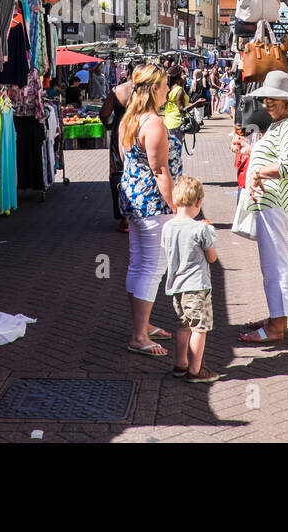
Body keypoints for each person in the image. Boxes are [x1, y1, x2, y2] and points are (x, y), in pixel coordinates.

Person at [119, 64, 185, 357]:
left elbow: (127, 162)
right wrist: (177, 208)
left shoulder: (129, 120)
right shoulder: (154, 123)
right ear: (153, 89)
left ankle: (143, 325)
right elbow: (160, 171)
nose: (168, 90)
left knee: (138, 263)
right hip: (153, 203)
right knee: (154, 267)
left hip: (133, 199)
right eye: (164, 86)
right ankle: (139, 335)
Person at [238, 70, 288, 345]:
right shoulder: (278, 125)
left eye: (274, 99)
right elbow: (274, 154)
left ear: (287, 102)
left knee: (274, 264)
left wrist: (258, 173)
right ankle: (276, 316)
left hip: (273, 201)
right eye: (266, 98)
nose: (267, 103)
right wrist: (248, 149)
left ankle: (277, 327)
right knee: (274, 263)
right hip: (268, 202)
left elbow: (287, 165)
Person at [161, 176, 221, 383]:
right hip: (197, 287)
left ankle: (180, 363)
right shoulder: (200, 229)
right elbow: (212, 257)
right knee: (199, 328)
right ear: (198, 203)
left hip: (176, 287)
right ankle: (196, 370)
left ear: (176, 202)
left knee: (182, 326)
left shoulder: (168, 227)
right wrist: (209, 233)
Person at [100, 61, 135, 233]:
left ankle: (123, 218)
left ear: (128, 71)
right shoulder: (146, 90)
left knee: (118, 173)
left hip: (120, 134)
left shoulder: (118, 90)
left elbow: (104, 114)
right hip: (141, 130)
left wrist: (110, 125)